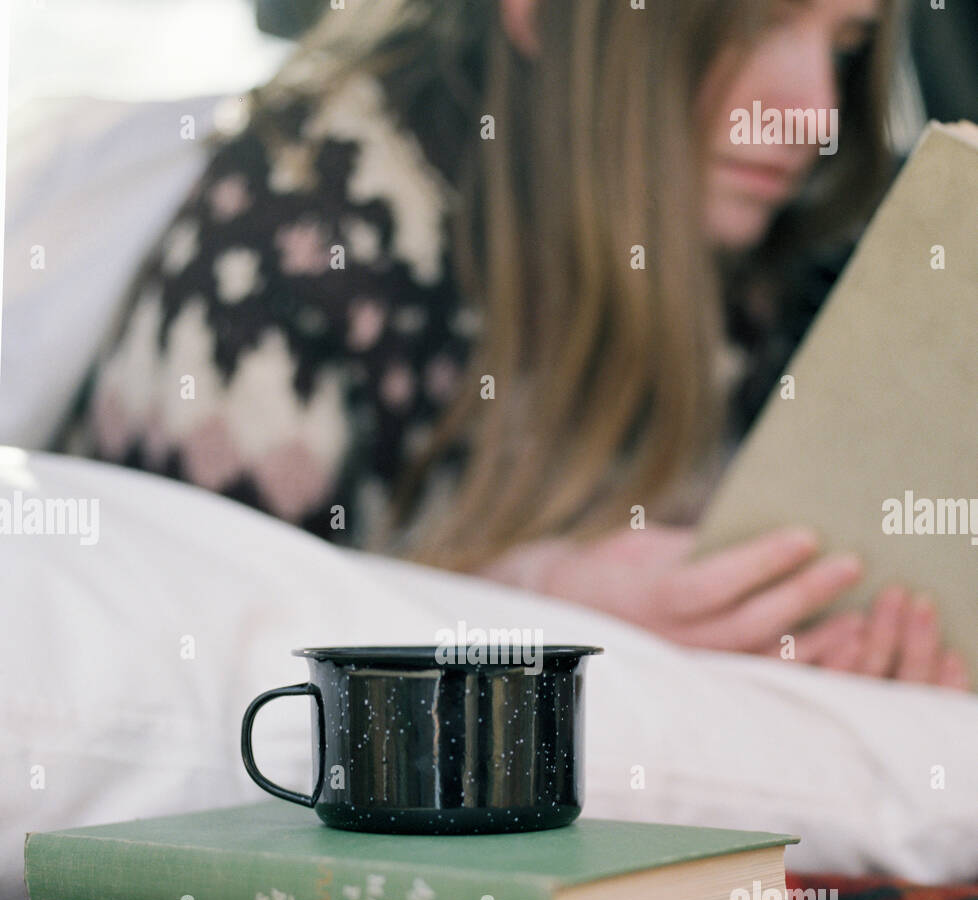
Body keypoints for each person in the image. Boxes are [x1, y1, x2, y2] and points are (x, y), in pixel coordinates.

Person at [56, 0, 969, 689]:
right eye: (753, 25)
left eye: (845, 47)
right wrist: (529, 605)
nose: (813, 115)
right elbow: (179, 673)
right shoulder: (296, 229)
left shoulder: (785, 241)